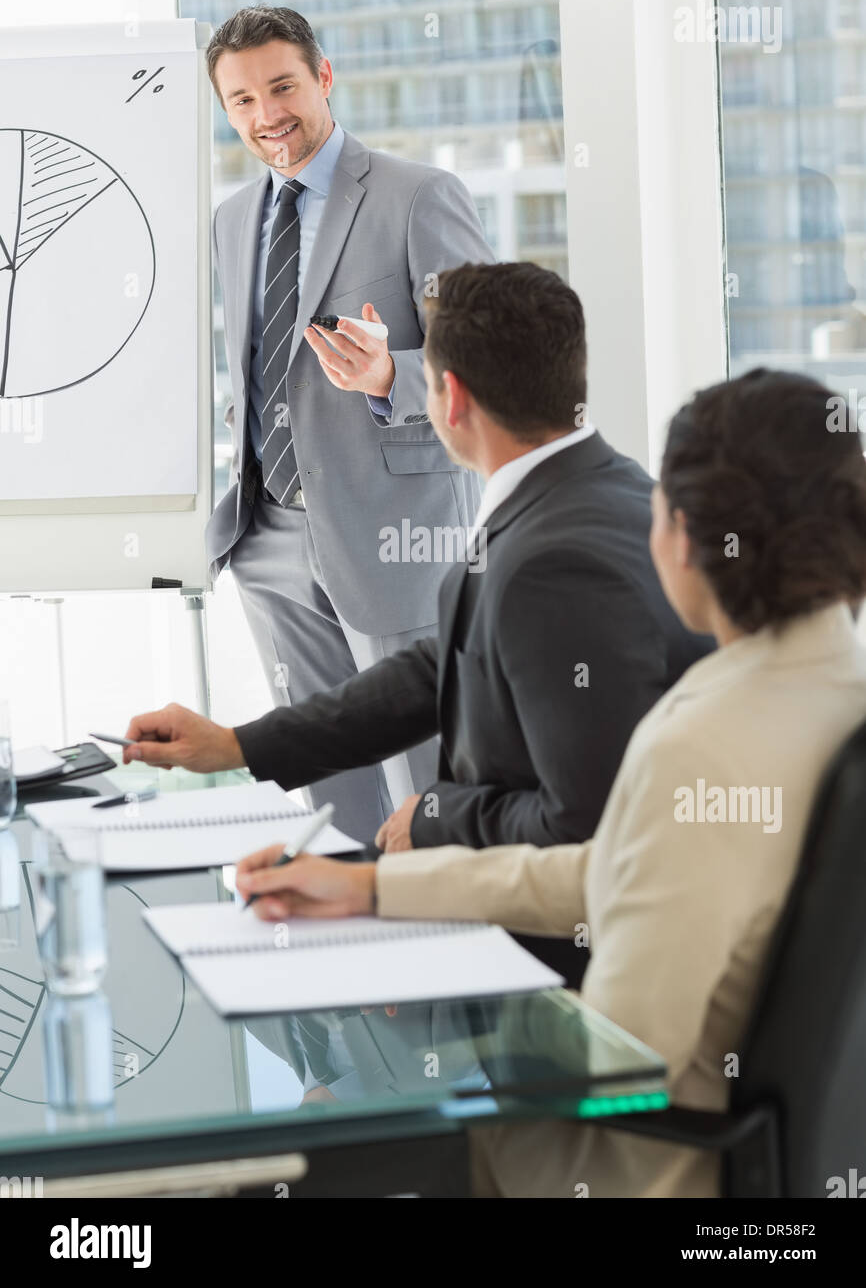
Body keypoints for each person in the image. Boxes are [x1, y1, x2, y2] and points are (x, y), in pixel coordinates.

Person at [230, 368, 866, 1198]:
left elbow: (623, 1055)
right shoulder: (830, 694)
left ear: (681, 534)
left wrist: (428, 1041)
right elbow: (615, 869)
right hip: (771, 1166)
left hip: (639, 1172)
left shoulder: (701, 746)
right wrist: (375, 887)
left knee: (279, 1160)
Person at [124, 264, 708, 888]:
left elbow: (584, 818)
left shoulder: (553, 561)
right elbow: (444, 666)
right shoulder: (606, 491)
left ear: (450, 399)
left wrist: (434, 818)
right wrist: (238, 745)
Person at [205, 5, 493, 843]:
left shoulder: (418, 195)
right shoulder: (230, 221)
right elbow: (260, 366)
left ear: (325, 77)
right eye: (242, 100)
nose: (267, 116)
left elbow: (484, 360)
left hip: (393, 531)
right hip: (269, 539)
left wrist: (389, 373)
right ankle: (357, 952)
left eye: (283, 86)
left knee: (425, 788)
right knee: (329, 793)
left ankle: (455, 962)